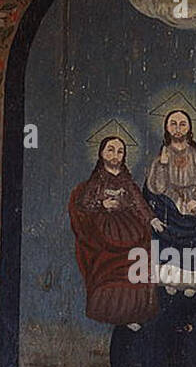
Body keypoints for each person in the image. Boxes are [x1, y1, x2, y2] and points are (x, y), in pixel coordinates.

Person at [68, 136, 160, 329]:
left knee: (137, 261)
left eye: (119, 151)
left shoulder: (126, 181)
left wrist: (152, 219)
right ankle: (111, 311)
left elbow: (138, 202)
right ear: (102, 153)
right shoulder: (97, 180)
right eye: (110, 150)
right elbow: (84, 204)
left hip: (127, 226)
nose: (115, 155)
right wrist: (102, 204)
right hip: (104, 229)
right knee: (111, 266)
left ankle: (132, 312)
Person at [143, 110, 196, 295]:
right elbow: (156, 188)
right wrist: (162, 164)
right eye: (173, 124)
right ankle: (171, 280)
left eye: (182, 124)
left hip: (193, 206)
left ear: (189, 128)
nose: (178, 129)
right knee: (167, 239)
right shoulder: (162, 155)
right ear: (167, 128)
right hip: (170, 205)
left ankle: (191, 282)